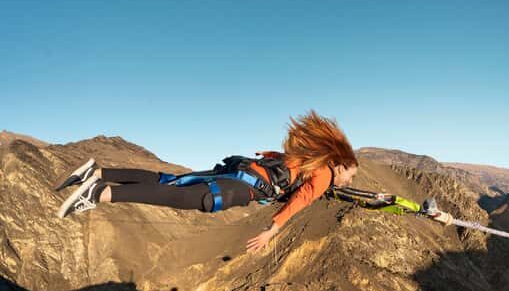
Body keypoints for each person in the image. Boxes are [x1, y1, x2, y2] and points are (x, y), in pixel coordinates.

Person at [55, 111, 358, 253]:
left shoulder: (314, 161)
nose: (348, 180)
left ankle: (98, 173)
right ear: (340, 165)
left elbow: (285, 162)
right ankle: (99, 193)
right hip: (242, 187)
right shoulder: (324, 174)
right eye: (351, 175)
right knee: (186, 198)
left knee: (172, 181)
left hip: (240, 170)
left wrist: (268, 155)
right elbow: (300, 200)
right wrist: (271, 230)